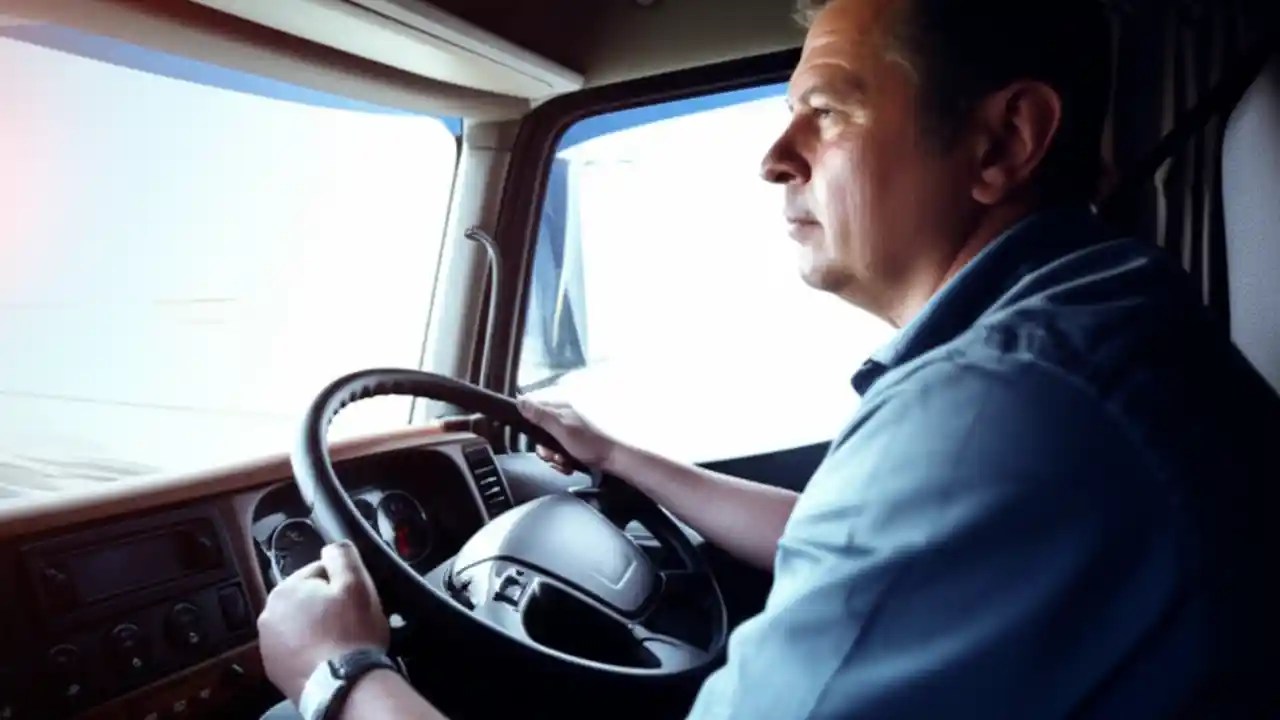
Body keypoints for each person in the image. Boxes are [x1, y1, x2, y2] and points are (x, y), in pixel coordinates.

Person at [258, 0, 1280, 717]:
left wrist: (339, 677)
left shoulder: (996, 408)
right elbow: (853, 539)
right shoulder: (1078, 325)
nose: (773, 155)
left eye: (827, 109)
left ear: (1002, 142)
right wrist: (616, 458)